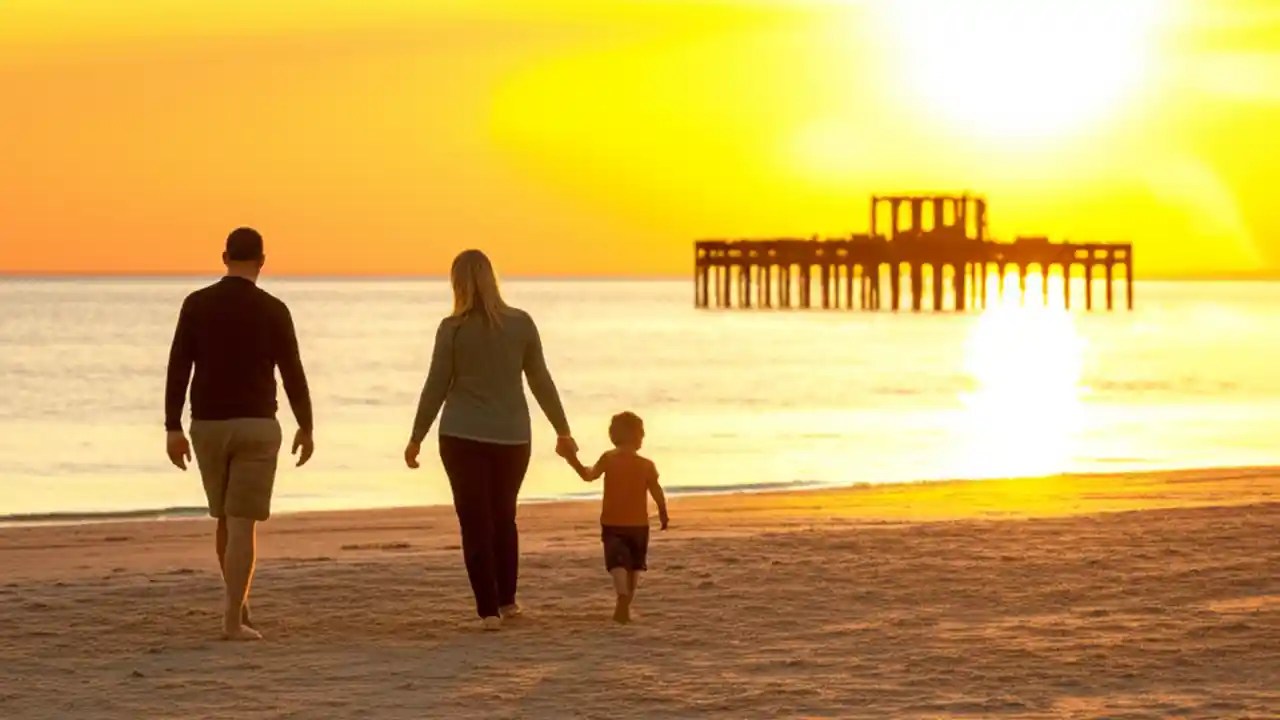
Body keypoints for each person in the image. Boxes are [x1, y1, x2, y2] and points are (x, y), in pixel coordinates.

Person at [404, 249, 576, 631]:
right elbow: (541, 381)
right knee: (503, 517)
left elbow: (436, 385)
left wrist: (417, 436)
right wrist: (562, 429)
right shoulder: (521, 324)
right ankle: (507, 601)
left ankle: (488, 612)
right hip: (513, 437)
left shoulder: (453, 329)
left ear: (457, 283)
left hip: (461, 435)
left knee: (475, 521)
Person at [164, 227, 315, 641]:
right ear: (262, 261)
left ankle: (238, 604)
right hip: (257, 426)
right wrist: (307, 424)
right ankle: (233, 620)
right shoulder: (274, 309)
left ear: (224, 256)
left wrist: (172, 427)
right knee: (241, 523)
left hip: (208, 426)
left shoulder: (196, 304)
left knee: (226, 521)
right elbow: (292, 372)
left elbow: (179, 368)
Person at [559, 411, 668, 624]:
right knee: (635, 566)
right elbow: (656, 490)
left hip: (612, 523)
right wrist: (663, 511)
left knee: (617, 562)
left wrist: (572, 459)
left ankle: (621, 594)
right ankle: (626, 601)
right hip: (639, 525)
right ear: (638, 436)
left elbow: (588, 475)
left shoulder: (608, 458)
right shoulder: (647, 464)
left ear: (613, 435)